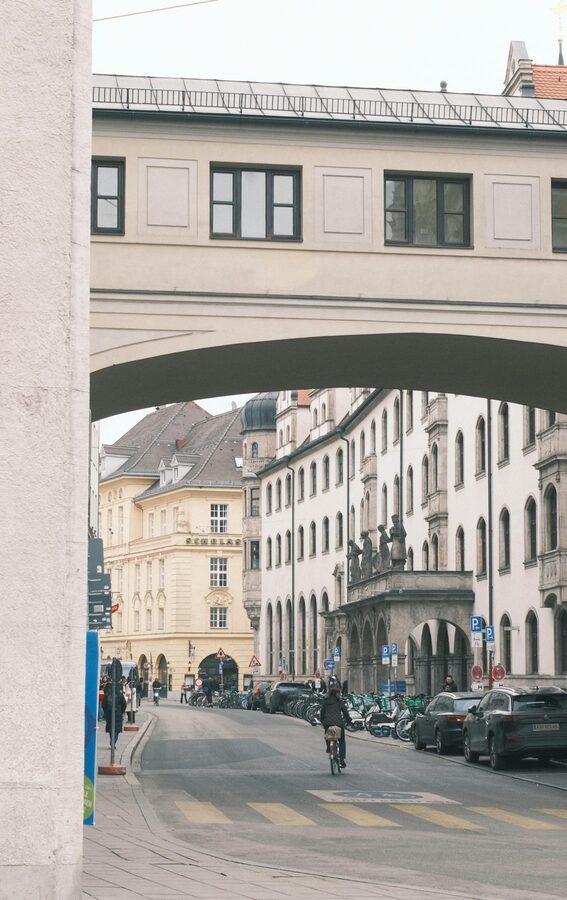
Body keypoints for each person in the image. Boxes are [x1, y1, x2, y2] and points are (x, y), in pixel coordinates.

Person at [319, 683, 352, 768]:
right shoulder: (339, 701)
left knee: (327, 736)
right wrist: (349, 720)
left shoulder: (325, 701)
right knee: (341, 741)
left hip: (328, 723)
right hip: (338, 723)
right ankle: (341, 760)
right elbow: (345, 712)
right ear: (337, 693)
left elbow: (322, 712)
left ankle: (329, 748)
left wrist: (321, 720)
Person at [102, 682, 127, 750]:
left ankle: (112, 741)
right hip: (118, 713)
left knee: (111, 728)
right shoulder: (120, 695)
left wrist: (106, 712)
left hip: (109, 714)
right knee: (117, 729)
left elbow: (103, 705)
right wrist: (121, 711)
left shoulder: (107, 695)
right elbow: (124, 704)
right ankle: (113, 742)